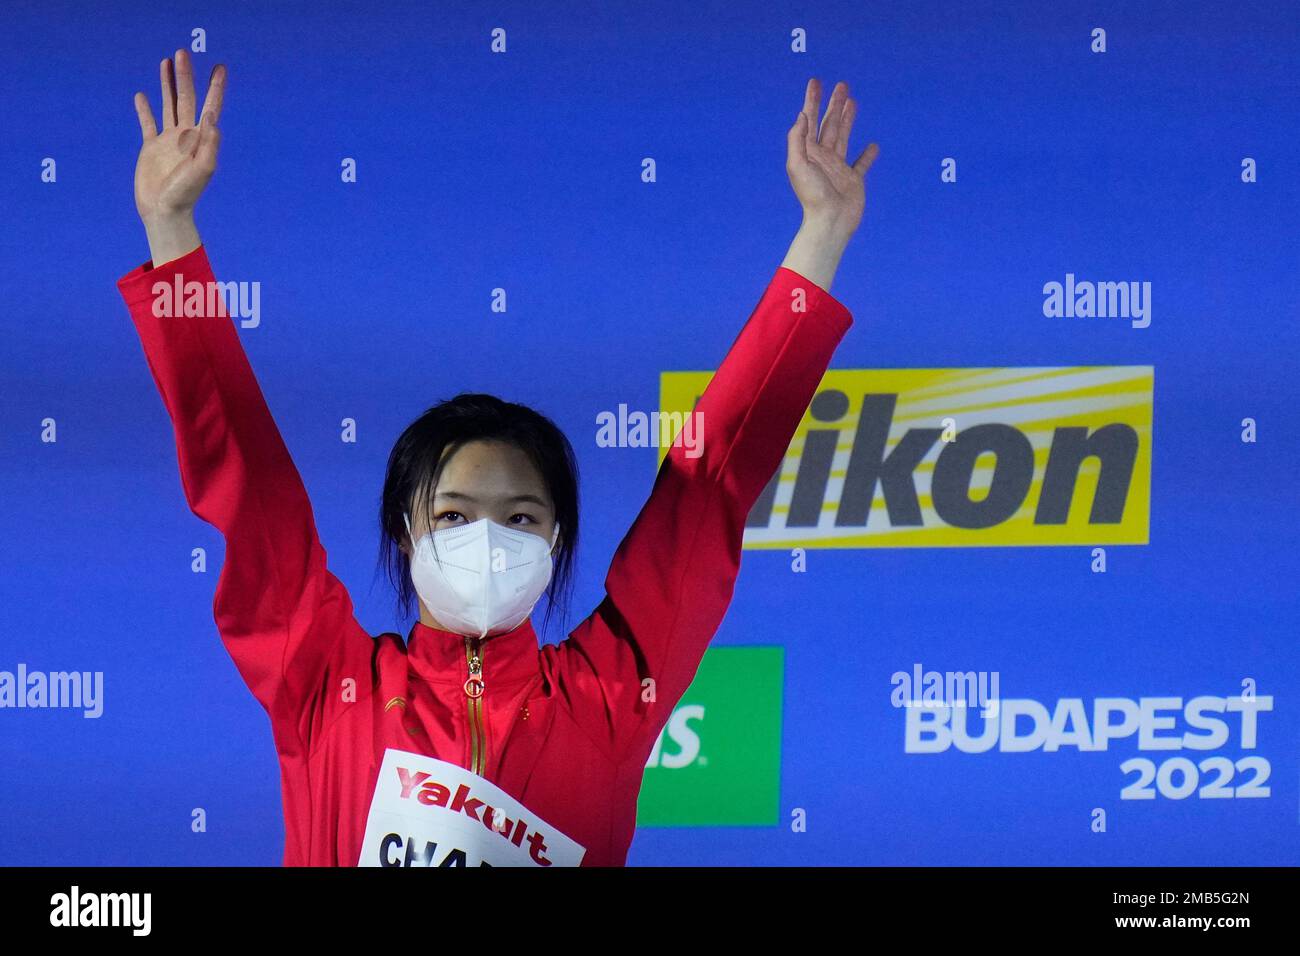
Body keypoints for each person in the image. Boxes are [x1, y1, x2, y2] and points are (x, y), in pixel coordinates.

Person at [118, 48, 879, 866]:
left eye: (522, 516)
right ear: (406, 533)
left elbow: (712, 481)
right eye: (453, 514)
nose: (488, 539)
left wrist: (821, 238)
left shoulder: (612, 697)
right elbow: (246, 476)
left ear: (556, 541)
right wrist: (172, 235)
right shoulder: (322, 682)